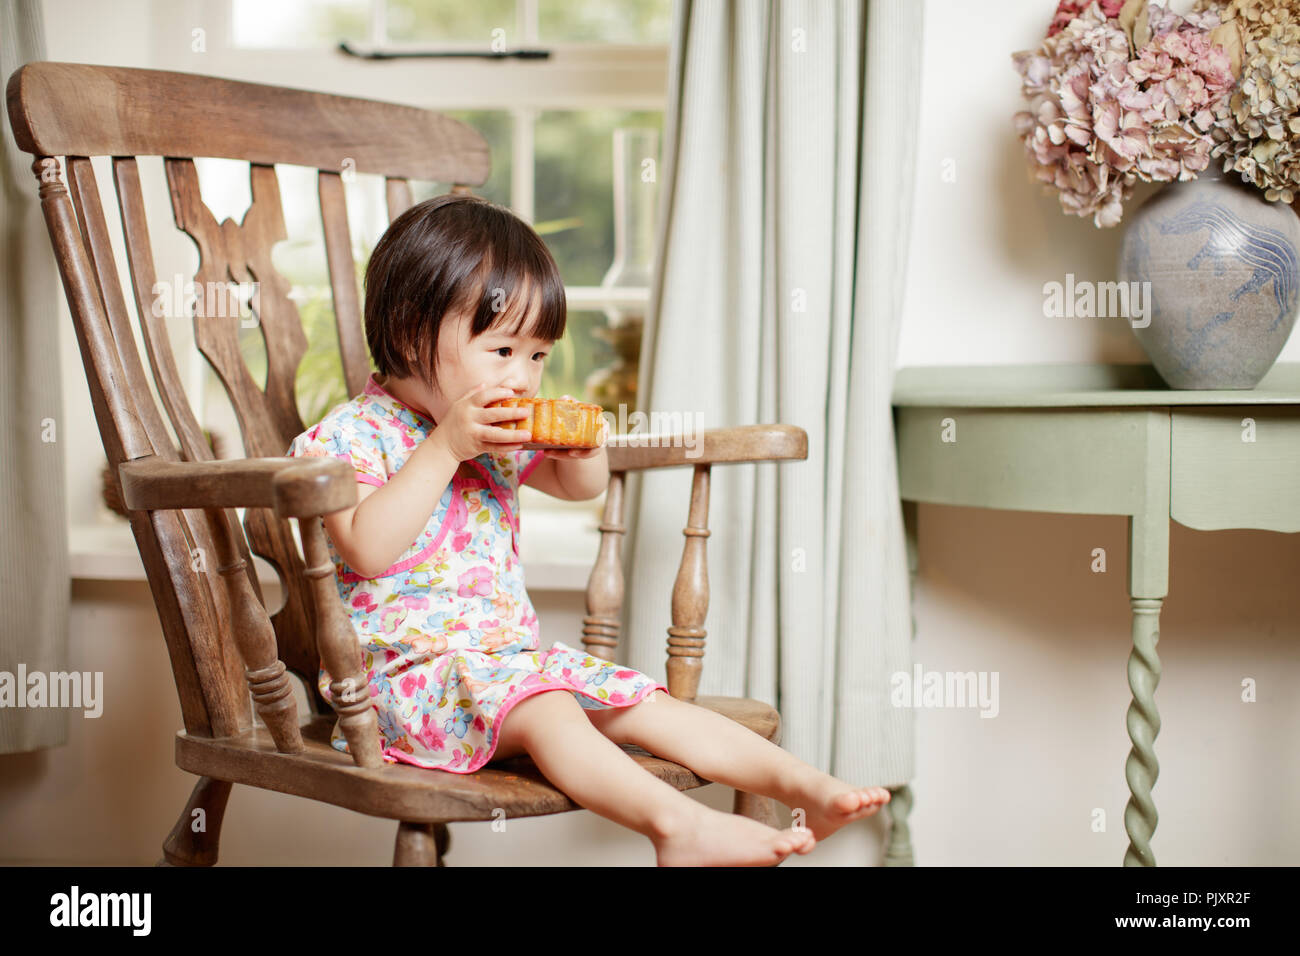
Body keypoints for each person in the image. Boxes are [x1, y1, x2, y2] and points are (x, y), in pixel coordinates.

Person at [286, 193, 890, 866]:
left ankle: (804, 783)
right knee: (549, 709)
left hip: (506, 667)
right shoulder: (348, 438)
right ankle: (675, 827)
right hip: (406, 685)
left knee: (641, 700)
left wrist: (586, 449)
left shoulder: (497, 434)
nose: (522, 377)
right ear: (406, 333)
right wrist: (444, 448)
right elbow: (368, 547)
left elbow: (580, 487)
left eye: (539, 356)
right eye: (504, 349)